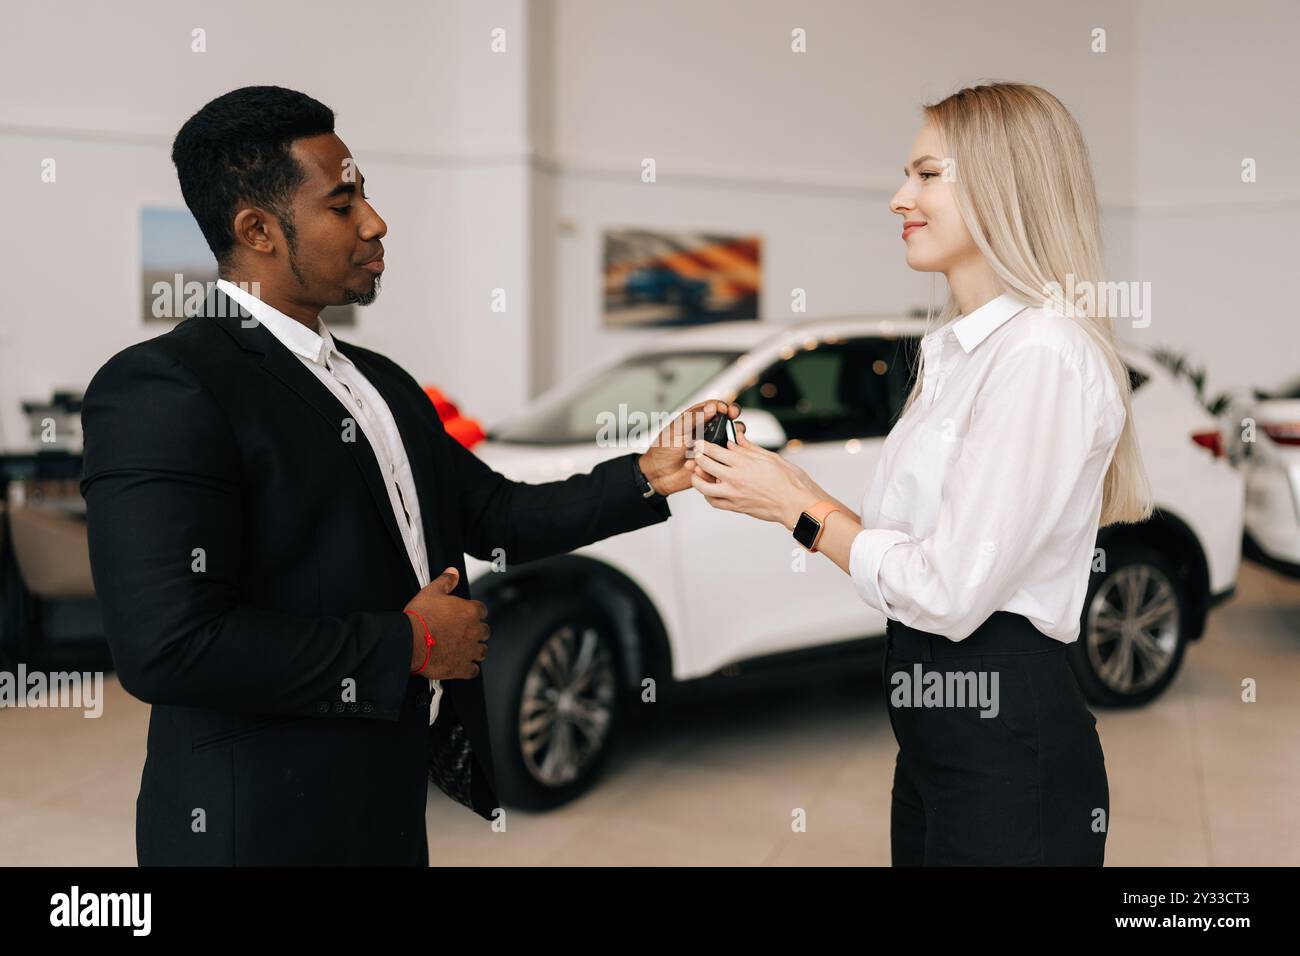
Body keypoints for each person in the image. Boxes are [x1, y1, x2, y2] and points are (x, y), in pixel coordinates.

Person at [80, 85, 739, 865]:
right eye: (342, 202)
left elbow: (494, 512)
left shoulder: (379, 381)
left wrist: (648, 474)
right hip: (255, 824)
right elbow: (168, 646)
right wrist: (408, 645)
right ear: (257, 229)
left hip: (387, 799)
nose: (375, 221)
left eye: (366, 193)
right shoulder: (167, 385)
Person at [687, 82, 1153, 865]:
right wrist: (790, 491)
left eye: (928, 174)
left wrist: (800, 512)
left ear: (1007, 187)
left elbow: (949, 590)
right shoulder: (956, 354)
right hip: (936, 735)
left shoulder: (1039, 355)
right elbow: (908, 546)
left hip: (1004, 745)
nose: (900, 197)